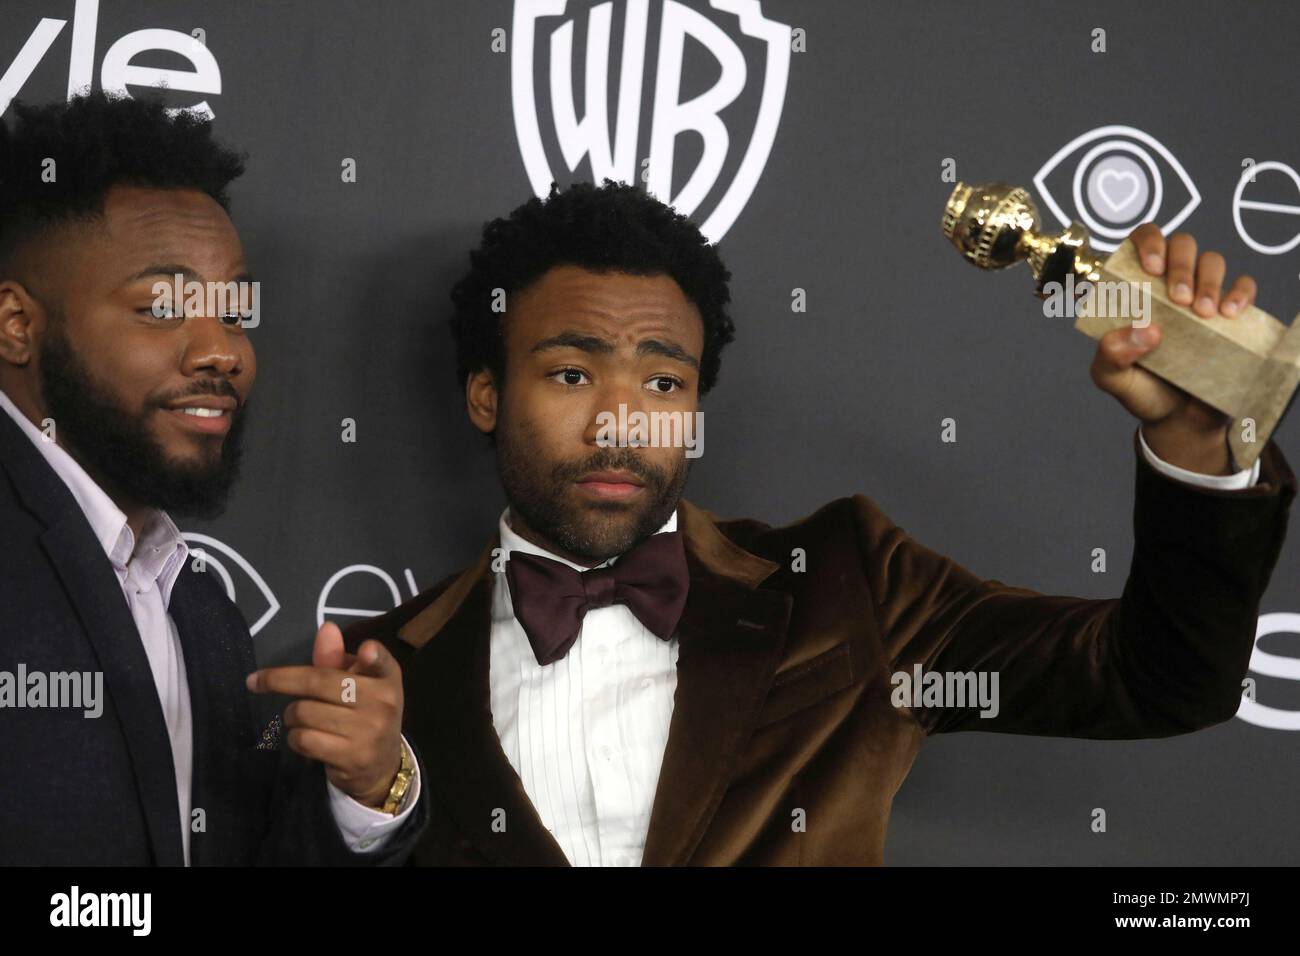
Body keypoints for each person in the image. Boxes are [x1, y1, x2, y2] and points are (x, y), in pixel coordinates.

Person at [345, 179, 1295, 866]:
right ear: (483, 394)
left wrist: (1199, 449)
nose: (621, 419)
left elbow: (1161, 679)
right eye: (570, 373)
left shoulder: (852, 588)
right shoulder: (383, 678)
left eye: (664, 381)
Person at [0, 92, 427, 865]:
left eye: (232, 312)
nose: (222, 353)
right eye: (163, 306)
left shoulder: (202, 614)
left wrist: (368, 790)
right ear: (17, 325)